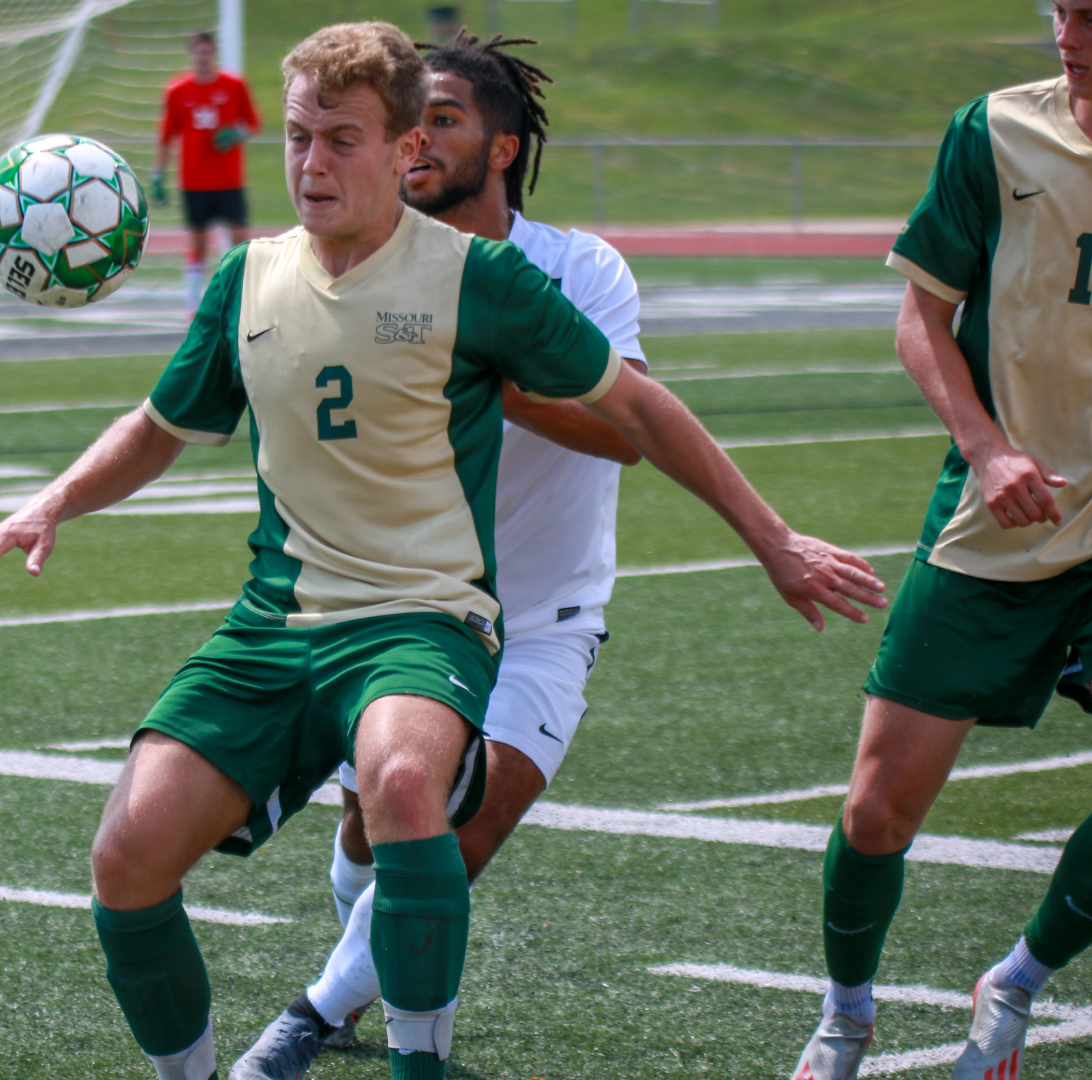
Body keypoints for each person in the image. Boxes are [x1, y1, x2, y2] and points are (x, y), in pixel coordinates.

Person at [0, 22, 884, 1080]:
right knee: (125, 854)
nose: (310, 163)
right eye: (299, 137)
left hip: (430, 619)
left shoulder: (485, 278)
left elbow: (641, 414)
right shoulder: (247, 280)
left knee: (404, 786)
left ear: (399, 153)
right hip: (278, 620)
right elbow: (163, 427)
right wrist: (53, 503)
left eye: (343, 139)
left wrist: (774, 541)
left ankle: (388, 1055)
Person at [789, 2, 1092, 1078]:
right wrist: (987, 448)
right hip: (990, 515)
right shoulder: (991, 129)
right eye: (1057, 9)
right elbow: (922, 312)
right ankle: (847, 1014)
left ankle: (1013, 985)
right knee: (876, 814)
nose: (1065, 31)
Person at [227, 31, 654, 1080]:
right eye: (410, 119)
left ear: (502, 148)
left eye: (447, 119)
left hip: (541, 621)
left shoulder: (577, 268)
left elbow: (624, 427)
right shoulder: (360, 265)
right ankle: (385, 995)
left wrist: (472, 371)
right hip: (390, 618)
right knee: (372, 850)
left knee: (454, 846)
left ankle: (307, 1021)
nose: (420, 140)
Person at [155, 30, 262, 310]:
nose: (203, 57)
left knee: (239, 238)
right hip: (194, 180)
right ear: (192, 55)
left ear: (213, 54)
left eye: (207, 52)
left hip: (228, 178)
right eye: (198, 52)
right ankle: (193, 303)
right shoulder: (177, 91)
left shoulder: (234, 85)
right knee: (198, 242)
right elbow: (166, 135)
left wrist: (235, 134)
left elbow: (252, 122)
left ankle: (239, 298)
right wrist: (158, 175)